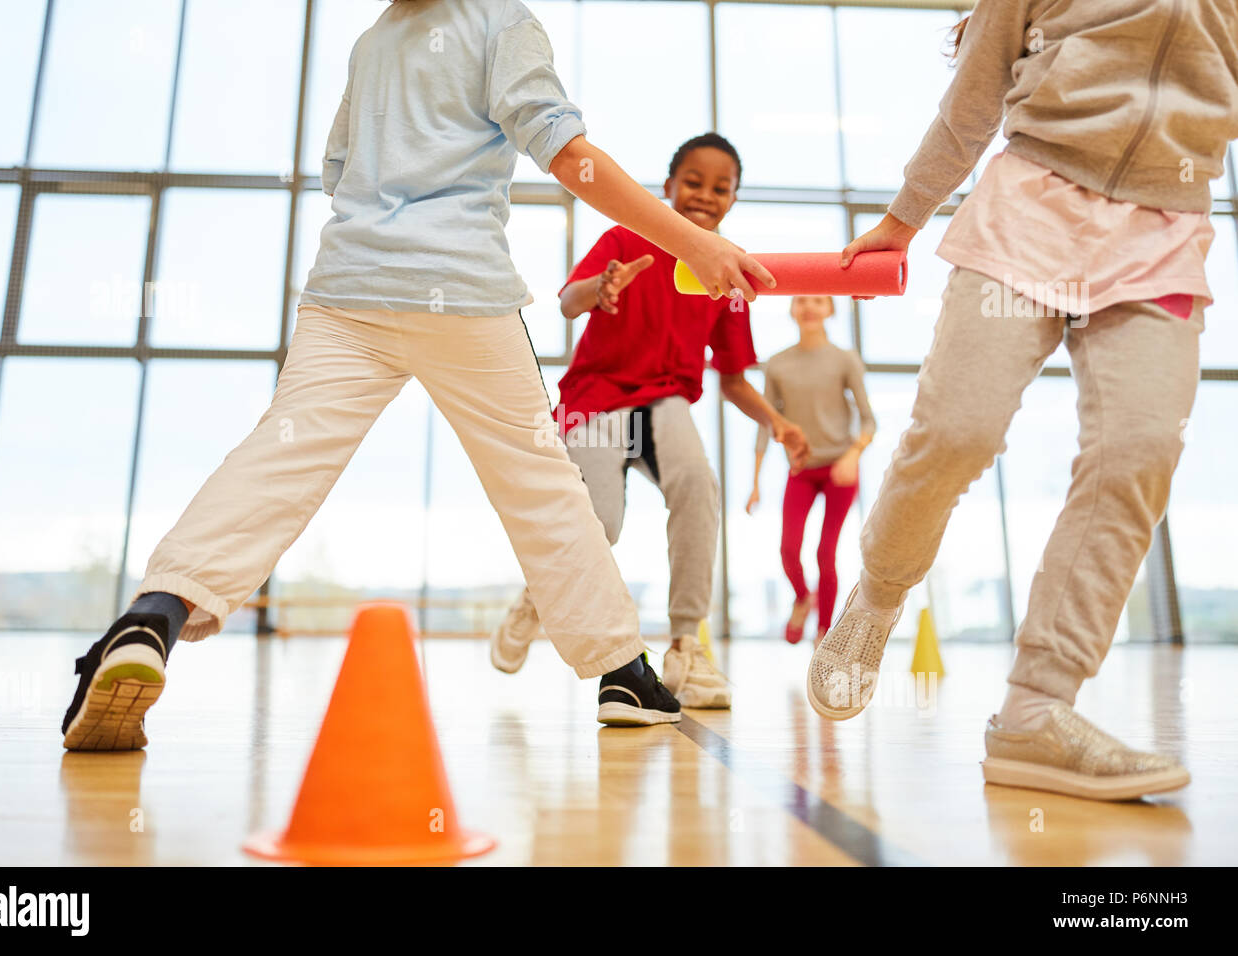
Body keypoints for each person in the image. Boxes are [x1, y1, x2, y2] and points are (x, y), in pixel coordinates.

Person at [61, 0, 777, 750]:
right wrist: (693, 242)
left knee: (276, 459)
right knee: (539, 483)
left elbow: (338, 170)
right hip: (460, 291)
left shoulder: (374, 39)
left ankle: (153, 617)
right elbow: (569, 156)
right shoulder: (502, 21)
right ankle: (622, 672)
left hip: (348, 291)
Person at [807, 0, 1237, 801]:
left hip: (1164, 230)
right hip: (1031, 204)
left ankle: (1035, 708)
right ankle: (879, 592)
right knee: (957, 432)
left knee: (1139, 454)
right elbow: (974, 95)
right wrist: (904, 218)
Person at [489, 132, 809, 708]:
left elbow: (734, 378)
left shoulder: (727, 272)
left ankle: (686, 647)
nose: (705, 195)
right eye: (694, 182)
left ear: (734, 198)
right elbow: (568, 302)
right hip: (599, 398)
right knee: (601, 525)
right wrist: (601, 287)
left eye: (721, 188)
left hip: (663, 404)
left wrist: (776, 423)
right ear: (668, 186)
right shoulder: (624, 237)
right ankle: (536, 598)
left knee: (698, 487)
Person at [746, 295, 874, 645]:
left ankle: (822, 634)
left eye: (818, 301)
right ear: (791, 310)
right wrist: (755, 482)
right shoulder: (777, 364)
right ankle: (803, 598)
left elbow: (868, 420)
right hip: (801, 469)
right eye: (801, 300)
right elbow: (766, 424)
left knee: (825, 553)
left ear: (830, 309)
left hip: (839, 470)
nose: (809, 307)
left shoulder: (845, 359)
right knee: (788, 549)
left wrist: (853, 455)